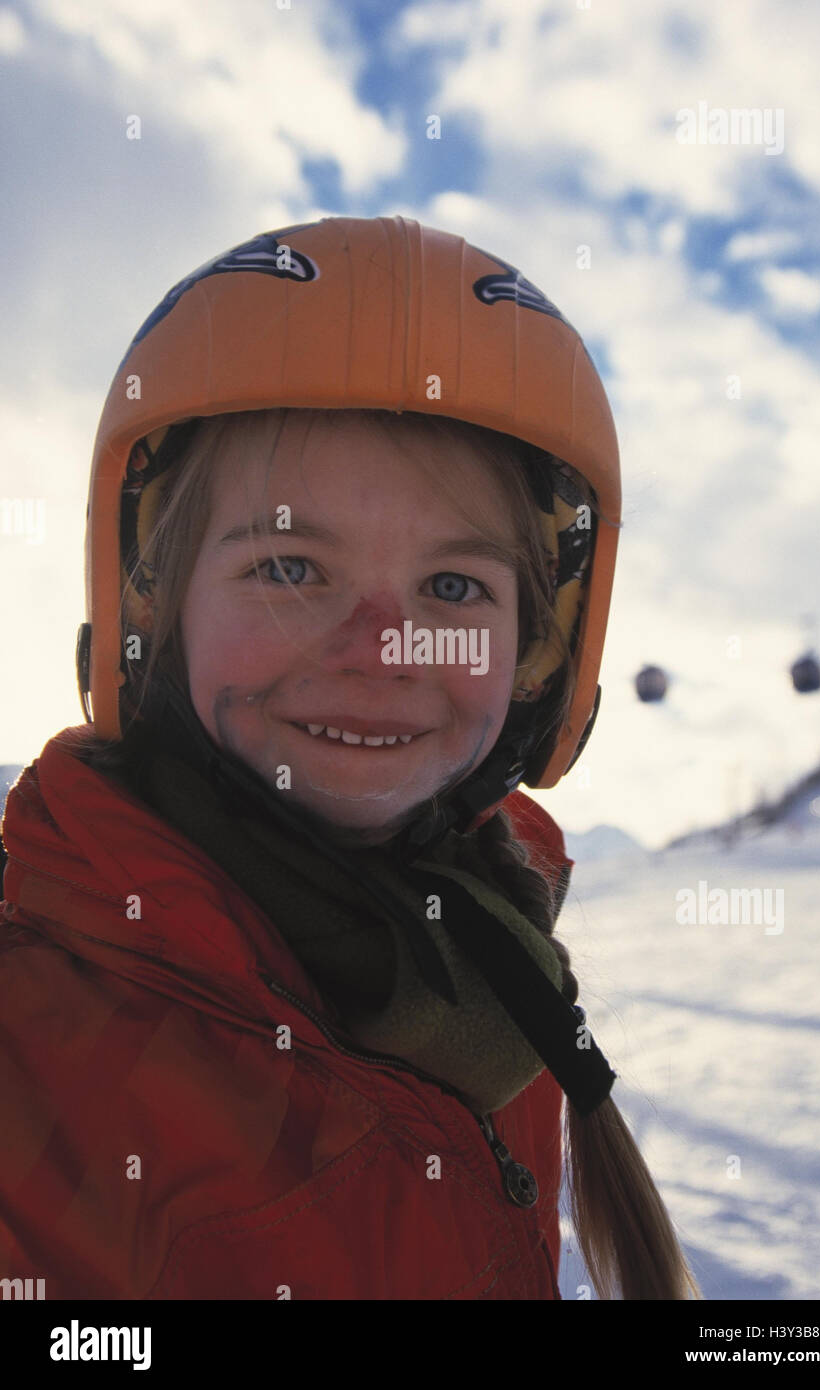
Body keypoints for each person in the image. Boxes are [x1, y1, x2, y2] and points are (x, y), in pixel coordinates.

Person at [0, 215, 699, 1300]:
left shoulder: (488, 979)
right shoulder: (35, 1046)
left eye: (454, 589)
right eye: (289, 567)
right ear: (155, 608)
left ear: (538, 651)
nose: (383, 650)